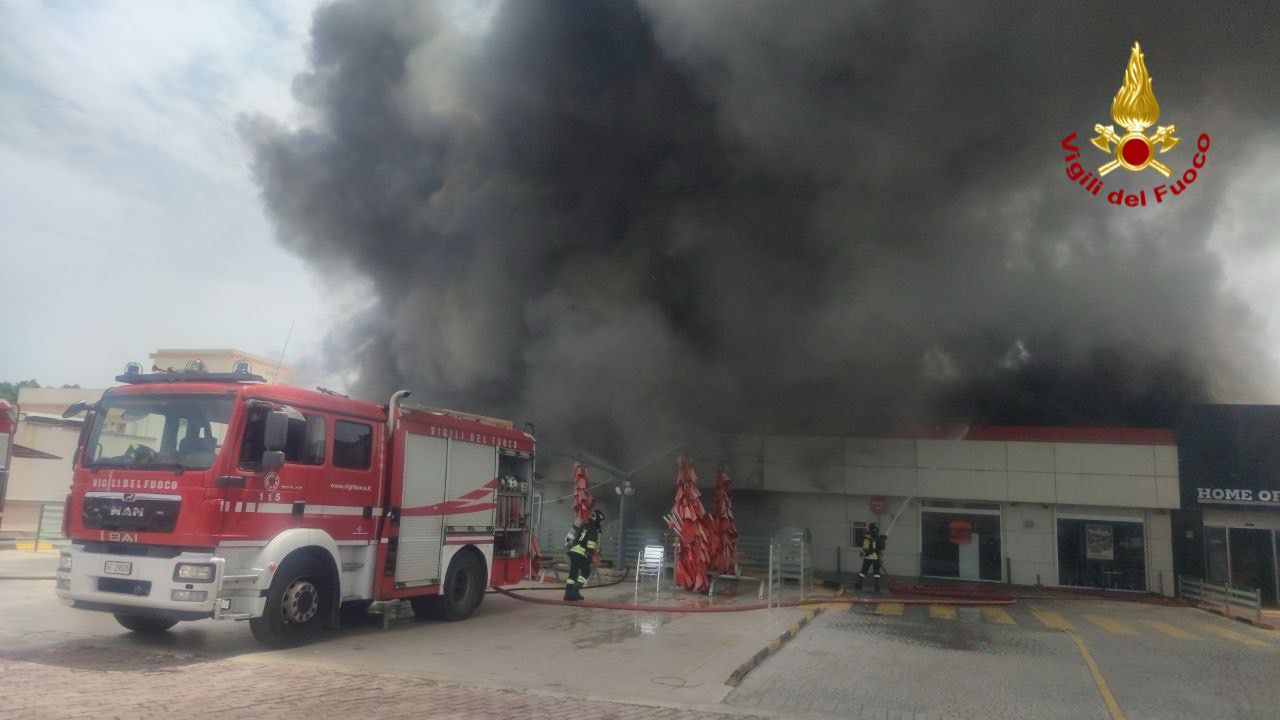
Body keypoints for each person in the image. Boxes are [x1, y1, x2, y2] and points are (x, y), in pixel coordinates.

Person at [563, 509, 605, 601]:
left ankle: (567, 595)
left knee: (573, 573)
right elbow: (590, 545)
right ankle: (574, 591)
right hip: (581, 553)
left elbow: (576, 538)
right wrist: (592, 554)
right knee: (586, 571)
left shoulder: (584, 525)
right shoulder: (593, 529)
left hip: (573, 552)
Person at [853, 522, 885, 593]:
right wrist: (883, 540)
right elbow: (881, 548)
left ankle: (859, 584)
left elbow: (865, 548)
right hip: (876, 557)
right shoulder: (878, 537)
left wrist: (863, 553)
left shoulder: (868, 536)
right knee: (876, 573)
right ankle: (877, 587)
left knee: (863, 571)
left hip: (868, 557)